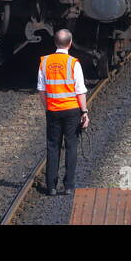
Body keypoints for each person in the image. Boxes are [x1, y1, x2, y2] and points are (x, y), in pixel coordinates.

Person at [38, 28, 89, 196]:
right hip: (72, 110)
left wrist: (48, 108)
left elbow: (41, 90)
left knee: (52, 146)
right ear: (70, 43)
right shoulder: (73, 63)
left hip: (53, 110)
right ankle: (68, 186)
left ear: (55, 43)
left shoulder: (44, 62)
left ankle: (51, 187)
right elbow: (80, 90)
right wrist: (84, 112)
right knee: (71, 146)